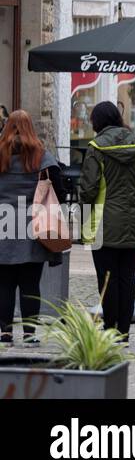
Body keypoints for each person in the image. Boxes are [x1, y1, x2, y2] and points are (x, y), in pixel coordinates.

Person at [78, 101, 135, 344]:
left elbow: (88, 189)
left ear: (98, 121)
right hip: (132, 219)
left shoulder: (96, 148)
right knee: (127, 278)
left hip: (103, 223)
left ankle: (110, 328)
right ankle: (124, 331)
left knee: (107, 277)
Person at [0, 110, 64, 345]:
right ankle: (29, 334)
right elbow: (59, 190)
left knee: (4, 284)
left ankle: (5, 332)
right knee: (30, 284)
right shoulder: (41, 156)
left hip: (3, 225)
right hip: (33, 226)